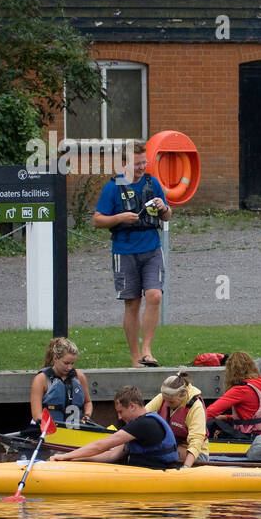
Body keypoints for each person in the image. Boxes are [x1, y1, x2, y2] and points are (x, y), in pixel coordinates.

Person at [93, 140, 171, 367]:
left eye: (144, 162)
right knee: (132, 303)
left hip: (152, 248)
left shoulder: (152, 183)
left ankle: (147, 350)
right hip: (124, 250)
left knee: (155, 295)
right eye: (137, 163)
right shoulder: (112, 187)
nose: (142, 167)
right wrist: (120, 218)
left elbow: (167, 216)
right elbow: (97, 220)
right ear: (124, 163)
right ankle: (135, 356)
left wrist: (164, 207)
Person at [49, 385, 178, 468]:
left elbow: (101, 445)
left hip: (155, 474)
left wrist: (66, 456)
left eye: (120, 411)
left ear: (132, 406)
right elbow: (112, 455)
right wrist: (75, 460)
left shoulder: (143, 424)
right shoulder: (140, 424)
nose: (119, 417)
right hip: (146, 472)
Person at [205, 351, 261, 440]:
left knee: (211, 423)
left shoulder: (241, 390)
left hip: (252, 437)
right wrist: (226, 417)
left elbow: (209, 412)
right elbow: (253, 415)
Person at [145, 371, 209, 468]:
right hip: (170, 448)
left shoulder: (195, 407)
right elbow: (141, 416)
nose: (166, 404)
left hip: (195, 455)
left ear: (183, 396)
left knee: (163, 452)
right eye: (165, 400)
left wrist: (186, 467)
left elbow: (196, 441)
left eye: (171, 401)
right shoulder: (164, 397)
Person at [30, 336, 93, 428]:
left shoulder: (79, 377)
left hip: (74, 430)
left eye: (72, 363)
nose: (70, 367)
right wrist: (51, 427)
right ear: (55, 358)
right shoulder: (41, 380)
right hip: (47, 431)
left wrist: (87, 416)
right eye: (66, 363)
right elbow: (36, 415)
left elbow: (88, 402)